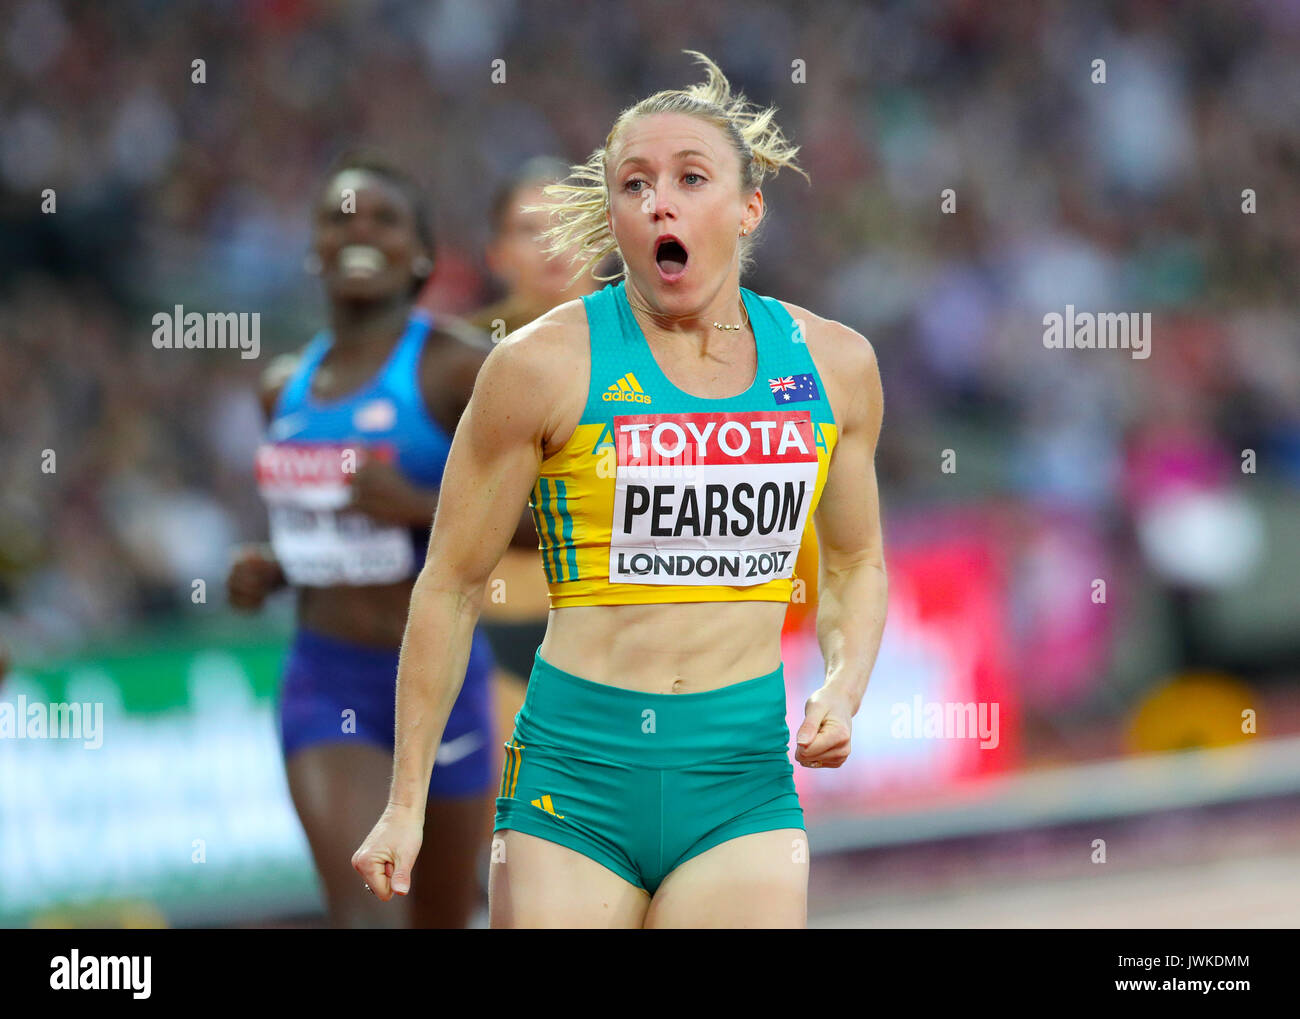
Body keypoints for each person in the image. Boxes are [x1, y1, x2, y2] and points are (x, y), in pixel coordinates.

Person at [353, 51, 888, 928]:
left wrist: (843, 682)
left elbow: (860, 559)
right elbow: (448, 583)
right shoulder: (538, 368)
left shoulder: (835, 365)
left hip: (740, 777)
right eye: (634, 184)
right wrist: (406, 801)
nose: (659, 202)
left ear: (749, 207)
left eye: (689, 177)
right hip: (576, 778)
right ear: (614, 216)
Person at [227, 150, 536, 928]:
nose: (358, 229)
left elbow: (549, 524)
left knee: (446, 915)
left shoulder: (460, 370)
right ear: (313, 250)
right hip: (327, 685)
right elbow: (317, 536)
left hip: (440, 684)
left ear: (423, 254)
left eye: (384, 218)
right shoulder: (282, 386)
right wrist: (272, 567)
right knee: (368, 916)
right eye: (339, 217)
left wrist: (417, 505)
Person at [463, 157, 603, 798]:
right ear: (496, 253)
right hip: (499, 634)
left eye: (567, 223)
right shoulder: (458, 356)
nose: (552, 244)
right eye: (529, 229)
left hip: (624, 630)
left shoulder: (661, 340)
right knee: (514, 844)